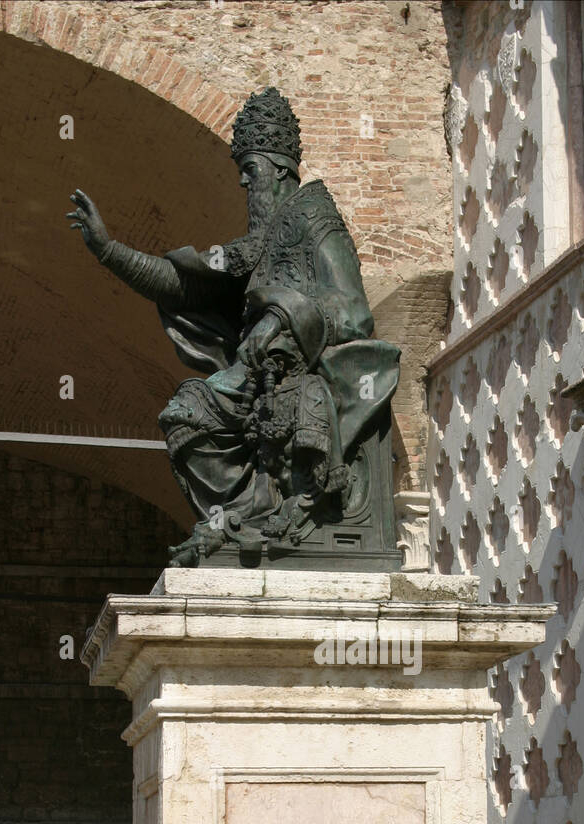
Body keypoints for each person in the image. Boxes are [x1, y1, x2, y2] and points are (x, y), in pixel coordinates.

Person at [67, 87, 399, 565]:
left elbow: (354, 312)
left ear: (280, 170)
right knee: (186, 415)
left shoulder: (316, 222)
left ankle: (264, 515)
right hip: (249, 376)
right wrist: (109, 250)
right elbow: (185, 284)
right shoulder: (255, 245)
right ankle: (243, 515)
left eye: (251, 170)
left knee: (202, 410)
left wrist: (286, 319)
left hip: (300, 370)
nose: (243, 183)